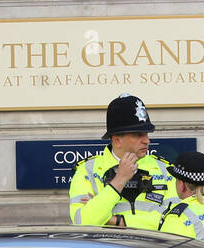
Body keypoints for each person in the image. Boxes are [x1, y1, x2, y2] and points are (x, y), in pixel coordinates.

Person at [68, 93, 178, 230]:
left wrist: (114, 220)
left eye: (147, 134)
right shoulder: (87, 171)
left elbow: (174, 222)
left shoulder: (165, 170)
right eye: (138, 135)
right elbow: (83, 221)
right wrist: (120, 179)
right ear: (117, 140)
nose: (147, 140)